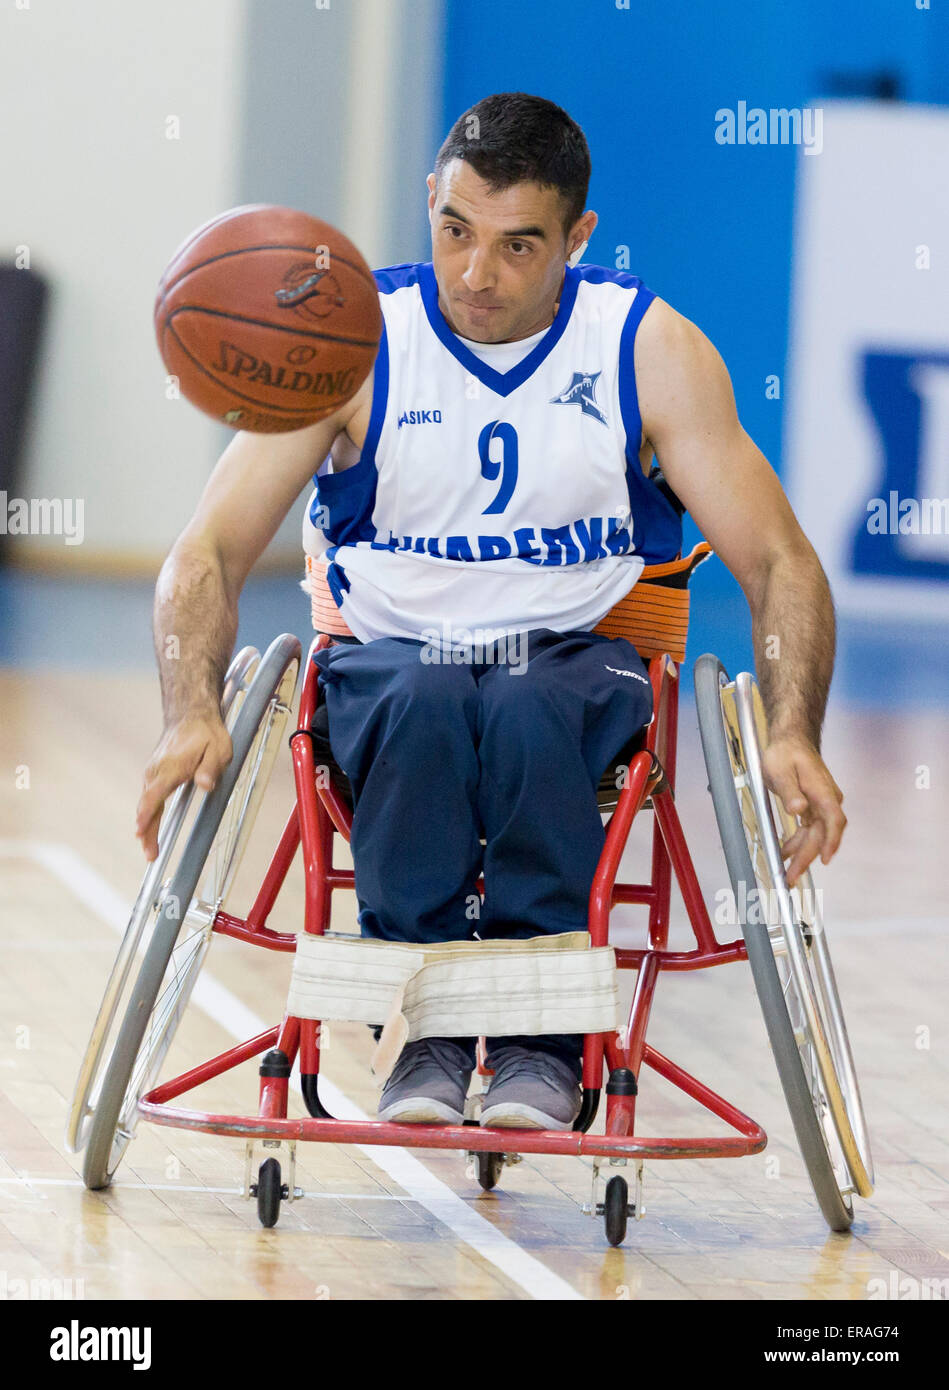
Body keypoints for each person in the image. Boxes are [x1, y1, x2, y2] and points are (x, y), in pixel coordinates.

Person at [136, 92, 846, 1133]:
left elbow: (781, 561)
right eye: (456, 230)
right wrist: (188, 708)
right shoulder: (350, 342)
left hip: (576, 661)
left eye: (519, 246)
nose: (477, 274)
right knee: (423, 692)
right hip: (388, 661)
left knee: (521, 699)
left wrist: (792, 730)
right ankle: (425, 1030)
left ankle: (537, 1044)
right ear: (429, 199)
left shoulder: (646, 351)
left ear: (577, 236)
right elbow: (204, 553)